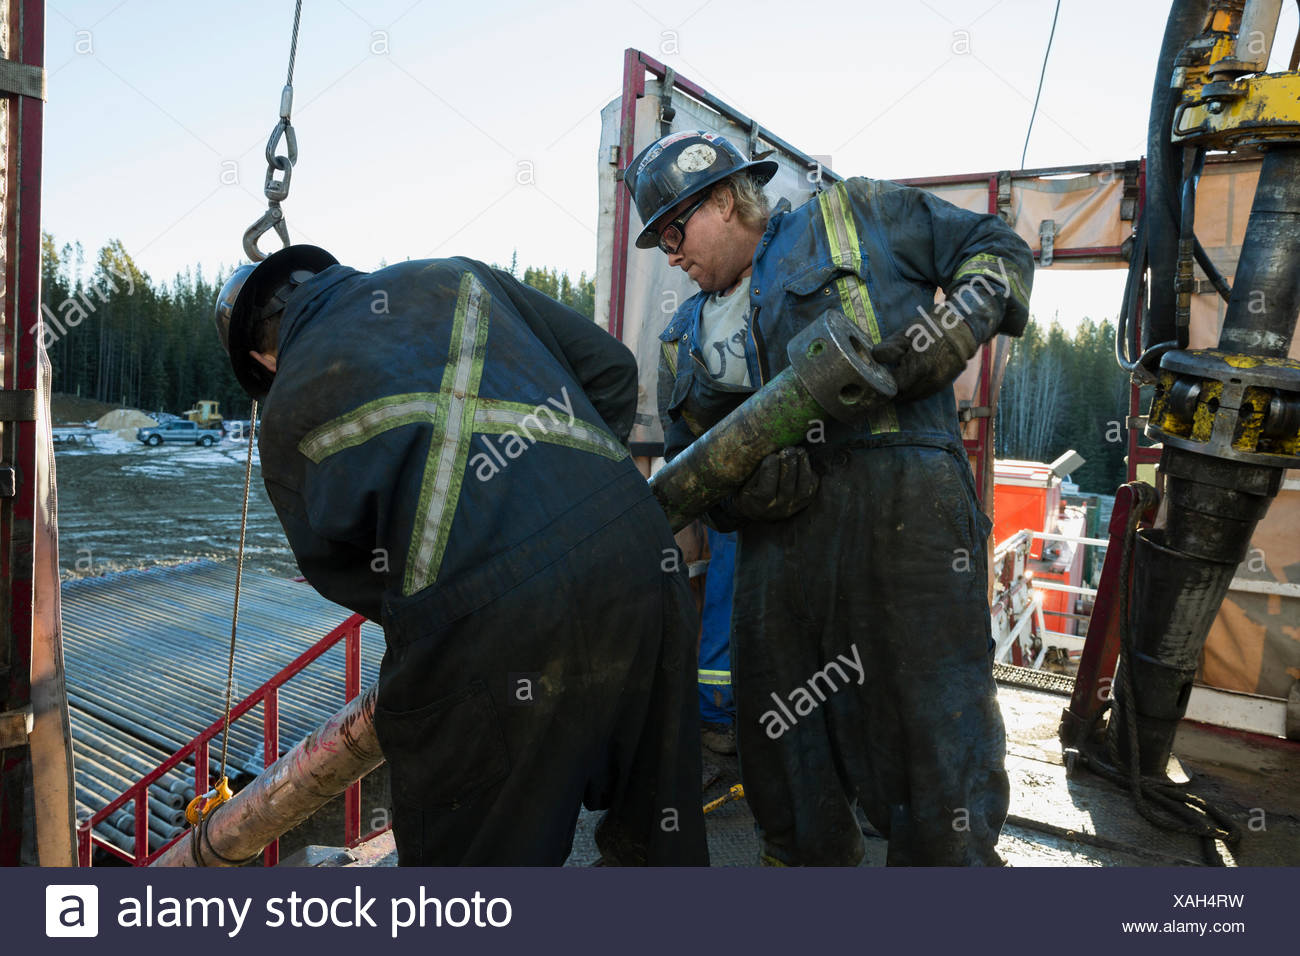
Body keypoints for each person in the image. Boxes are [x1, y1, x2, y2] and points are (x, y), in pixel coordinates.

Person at [213, 246, 708, 866]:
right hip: (640, 563)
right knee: (658, 836)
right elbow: (610, 368)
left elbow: (342, 570)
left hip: (488, 632)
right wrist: (573, 500)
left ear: (263, 358)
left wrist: (460, 579)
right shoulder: (453, 274)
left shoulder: (285, 414)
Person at [627, 130, 1034, 866]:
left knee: (935, 756)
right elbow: (698, 479)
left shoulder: (856, 216)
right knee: (787, 770)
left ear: (725, 198)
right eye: (657, 241)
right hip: (776, 564)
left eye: (674, 229)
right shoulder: (678, 340)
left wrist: (957, 327)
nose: (670, 252)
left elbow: (997, 249)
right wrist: (740, 501)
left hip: (905, 527)